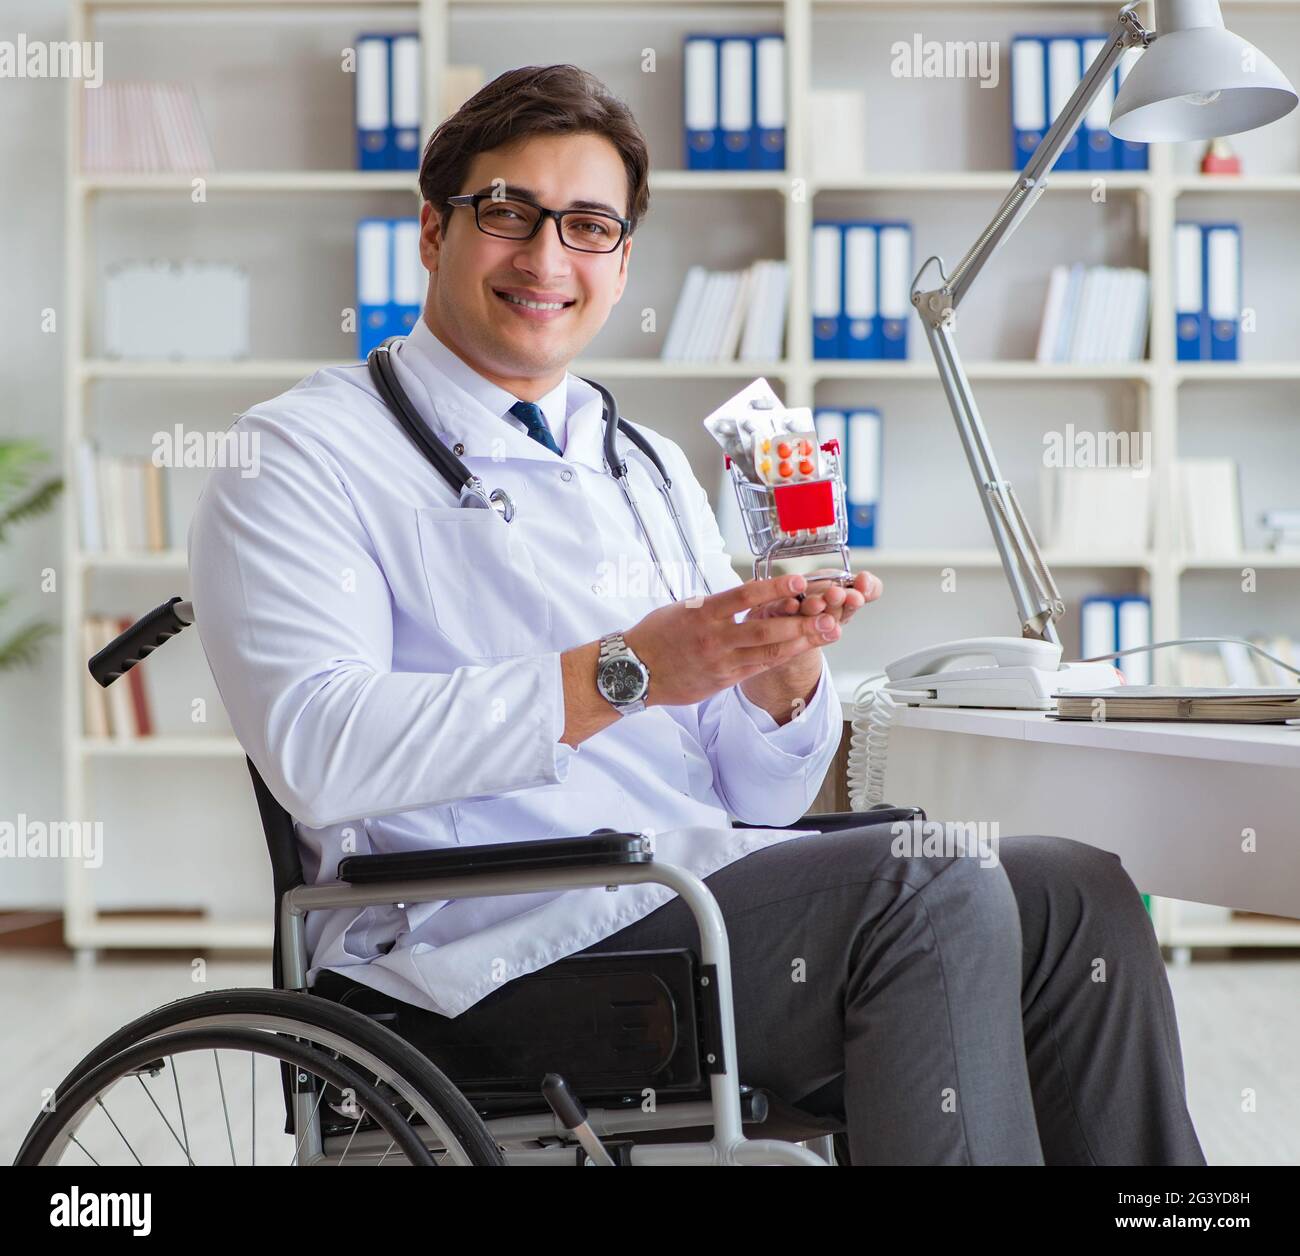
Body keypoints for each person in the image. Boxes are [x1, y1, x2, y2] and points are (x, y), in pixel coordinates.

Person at [188, 63, 1205, 1165]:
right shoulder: (298, 454)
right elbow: (318, 750)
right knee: (925, 879)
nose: (544, 258)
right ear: (431, 231)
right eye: (506, 213)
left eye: (586, 227)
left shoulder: (648, 464)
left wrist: (777, 687)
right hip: (481, 951)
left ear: (621, 265)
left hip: (688, 889)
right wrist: (625, 671)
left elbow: (749, 793)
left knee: (1079, 888)